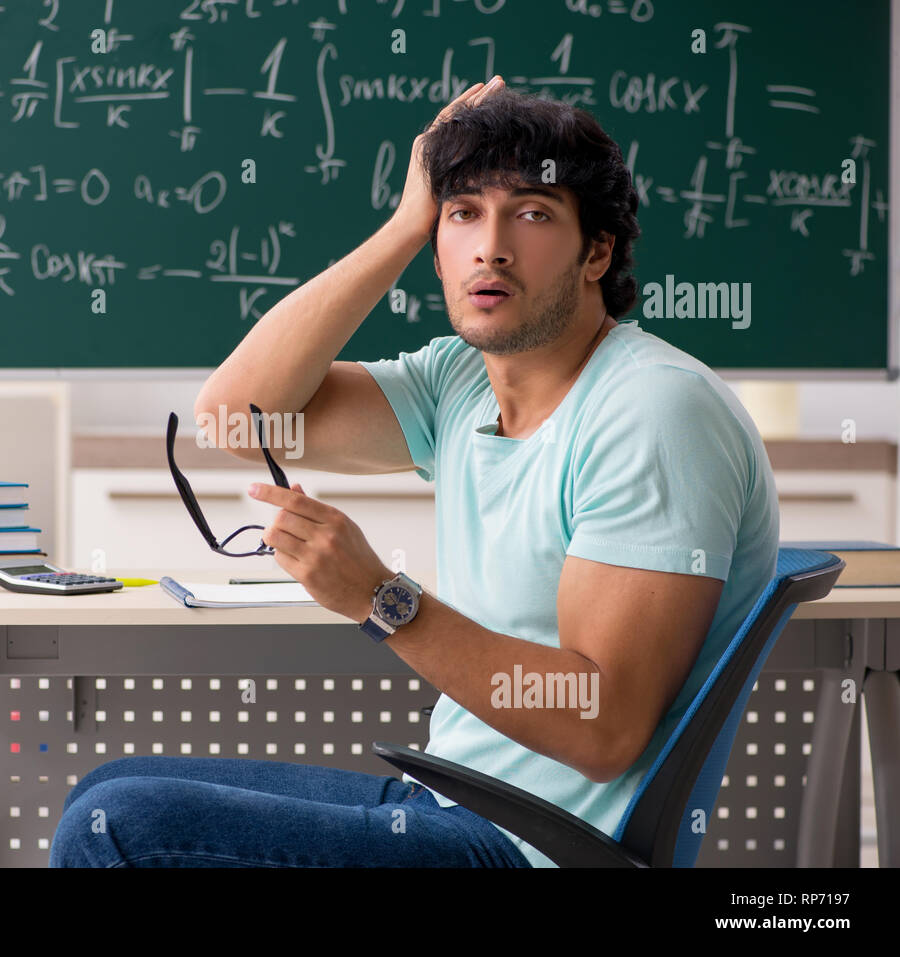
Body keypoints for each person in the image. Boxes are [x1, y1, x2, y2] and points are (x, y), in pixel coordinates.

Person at [49, 77, 779, 868]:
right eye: (463, 212)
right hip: (454, 797)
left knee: (114, 827)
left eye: (532, 213)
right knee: (105, 785)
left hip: (533, 844)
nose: (490, 246)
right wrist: (404, 223)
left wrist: (381, 598)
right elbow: (235, 417)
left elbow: (601, 727)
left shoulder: (654, 411)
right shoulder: (461, 378)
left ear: (596, 250)